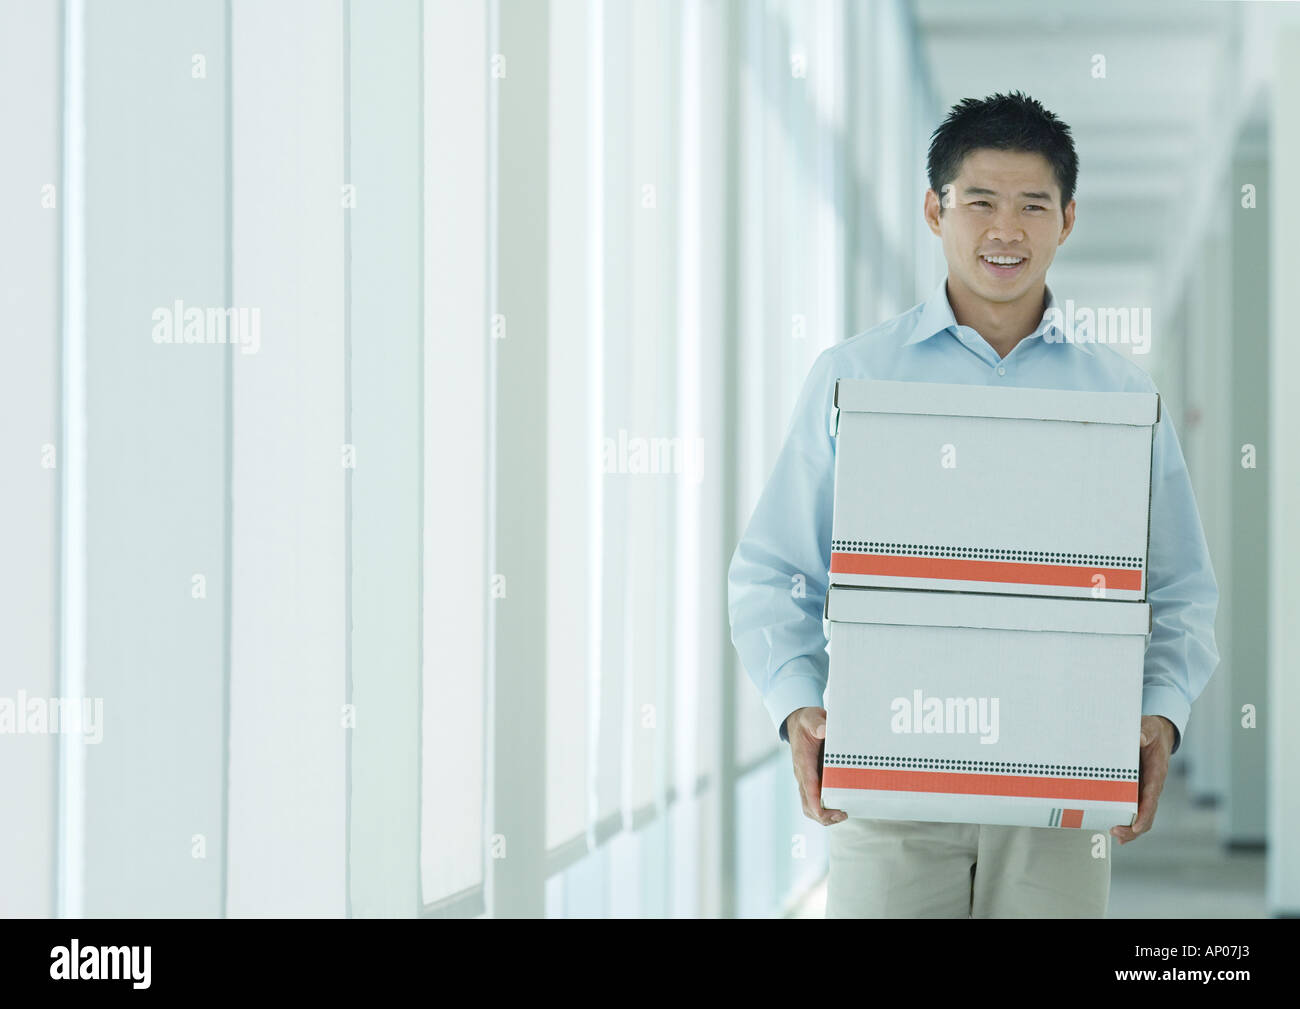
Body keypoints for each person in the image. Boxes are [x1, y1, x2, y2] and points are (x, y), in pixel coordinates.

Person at [726, 91, 1220, 918]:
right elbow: (773, 570)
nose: (1006, 230)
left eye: (1033, 206)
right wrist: (796, 702)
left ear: (1066, 221)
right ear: (934, 210)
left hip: (1062, 782)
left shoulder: (1122, 396)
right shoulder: (857, 378)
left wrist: (1160, 715)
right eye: (980, 202)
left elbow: (1179, 589)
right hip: (891, 782)